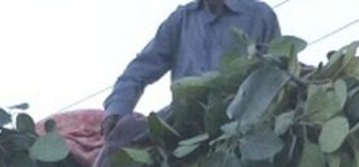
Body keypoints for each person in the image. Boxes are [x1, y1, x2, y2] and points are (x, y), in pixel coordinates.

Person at [102, 0, 282, 135]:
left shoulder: (260, 16)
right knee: (123, 140)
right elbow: (139, 70)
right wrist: (117, 109)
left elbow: (277, 75)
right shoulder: (181, 20)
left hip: (241, 129)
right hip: (182, 130)